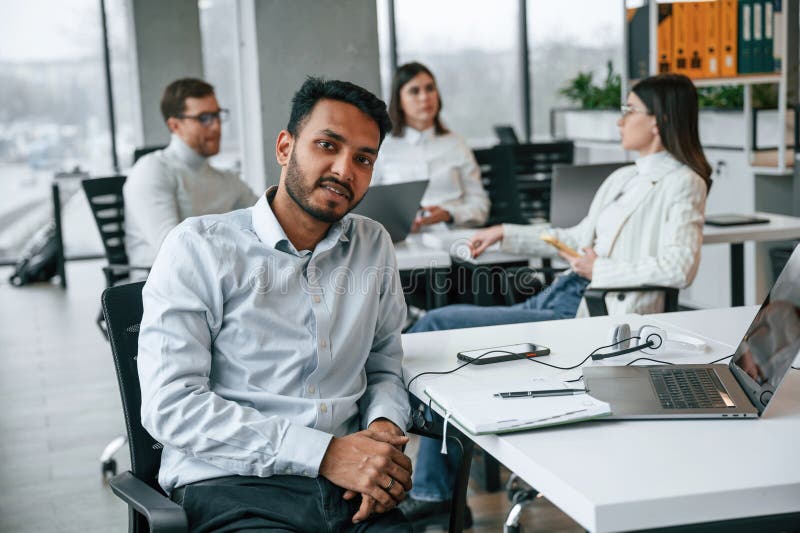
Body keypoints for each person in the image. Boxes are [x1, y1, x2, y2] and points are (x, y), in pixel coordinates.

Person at [399, 73, 713, 524]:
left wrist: (598, 269)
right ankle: (434, 488)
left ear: (659, 122)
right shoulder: (624, 177)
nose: (620, 120)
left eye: (628, 110)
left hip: (591, 307)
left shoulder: (683, 183)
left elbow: (680, 266)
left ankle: (432, 490)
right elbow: (571, 239)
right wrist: (504, 232)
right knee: (437, 336)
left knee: (435, 328)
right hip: (564, 292)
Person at [137, 77, 413, 532]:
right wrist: (324, 453)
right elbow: (171, 406)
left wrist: (383, 428)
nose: (345, 170)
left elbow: (383, 364)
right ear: (285, 147)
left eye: (363, 159)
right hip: (235, 485)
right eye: (328, 144)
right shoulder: (198, 247)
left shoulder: (373, 244)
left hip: (350, 489)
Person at [124, 78, 258, 268]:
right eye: (204, 118)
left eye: (217, 115)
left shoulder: (227, 179)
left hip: (223, 281)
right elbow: (172, 249)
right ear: (175, 126)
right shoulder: (152, 170)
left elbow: (268, 219)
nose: (216, 126)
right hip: (157, 288)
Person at [372, 62, 489, 231]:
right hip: (404, 242)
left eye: (430, 88)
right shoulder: (382, 148)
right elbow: (369, 207)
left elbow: (480, 207)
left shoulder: (456, 143)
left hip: (454, 239)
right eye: (414, 91)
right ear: (399, 101)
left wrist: (449, 213)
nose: (424, 97)